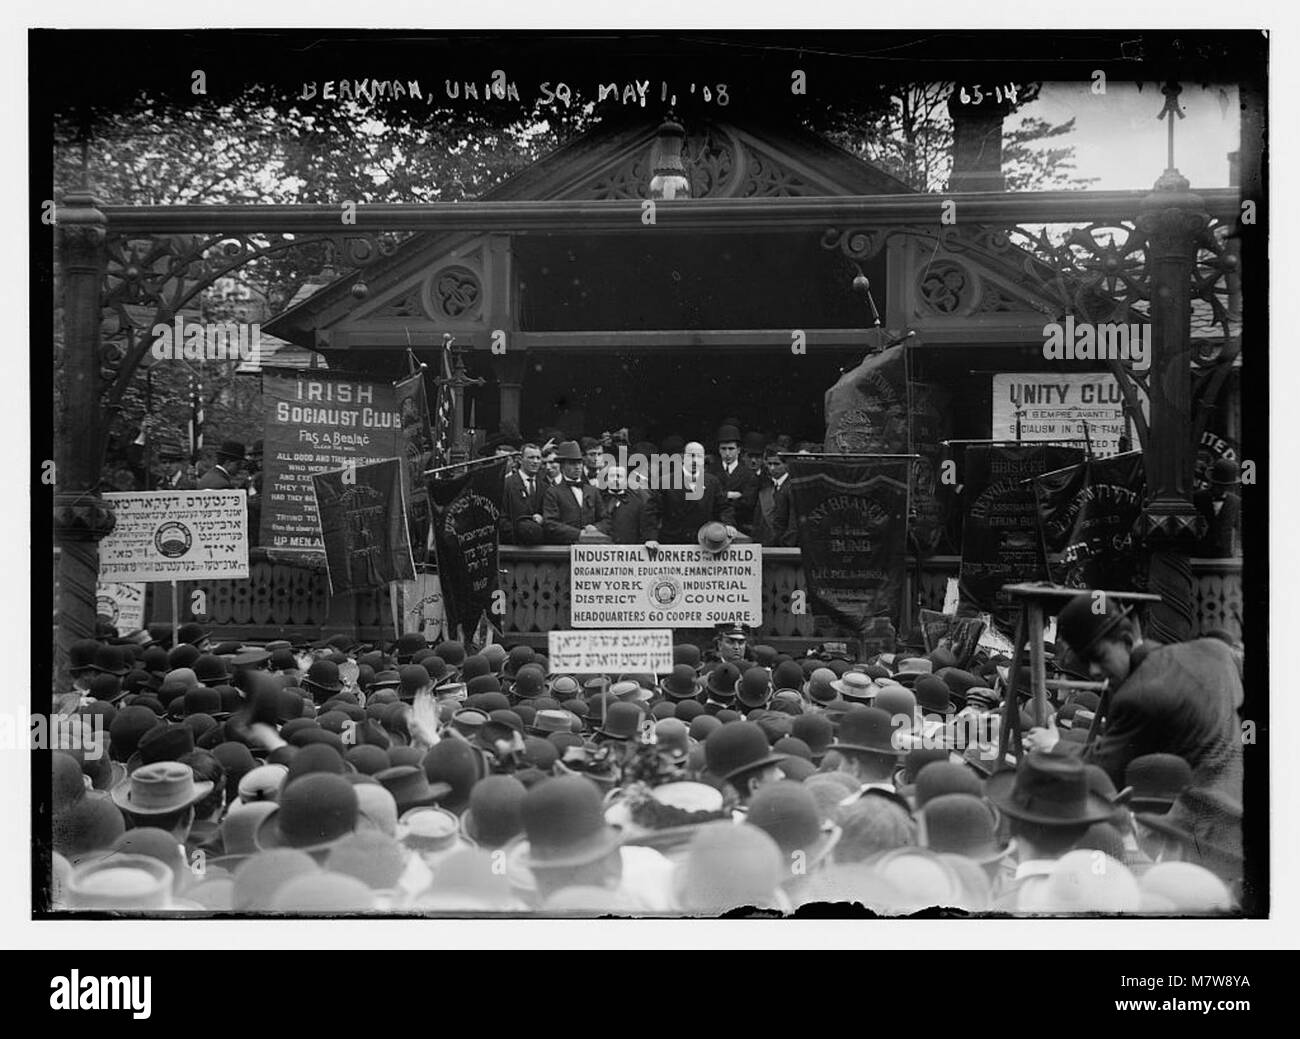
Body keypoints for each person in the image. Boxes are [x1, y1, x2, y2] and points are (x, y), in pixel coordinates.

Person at [1025, 593, 1244, 806]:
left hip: (1199, 821)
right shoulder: (1215, 651)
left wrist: (1052, 745)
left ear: (1126, 640)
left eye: (1099, 657)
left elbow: (1104, 772)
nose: (1093, 670)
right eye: (1085, 661)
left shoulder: (1137, 696)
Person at [645, 441, 734, 546]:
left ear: (704, 459)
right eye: (691, 456)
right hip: (673, 544)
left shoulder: (712, 482)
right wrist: (651, 538)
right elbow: (652, 512)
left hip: (703, 544)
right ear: (683, 458)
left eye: (699, 457)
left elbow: (724, 507)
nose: (695, 461)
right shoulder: (665, 482)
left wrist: (728, 524)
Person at [541, 441, 604, 543]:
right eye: (572, 463)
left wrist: (595, 528)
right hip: (565, 548)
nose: (577, 467)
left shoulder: (592, 491)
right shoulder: (553, 492)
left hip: (591, 549)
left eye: (579, 463)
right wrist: (578, 534)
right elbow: (550, 523)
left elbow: (605, 519)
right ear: (563, 466)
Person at [709, 425, 760, 535]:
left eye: (731, 449)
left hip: (741, 527)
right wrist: (729, 495)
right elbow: (707, 499)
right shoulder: (710, 472)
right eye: (723, 449)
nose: (727, 453)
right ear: (718, 450)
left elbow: (748, 503)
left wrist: (720, 497)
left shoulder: (749, 474)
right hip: (713, 528)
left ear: (738, 450)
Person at [500, 442, 546, 545]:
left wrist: (543, 520)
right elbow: (501, 519)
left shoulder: (545, 487)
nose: (535, 461)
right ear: (520, 460)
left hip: (541, 547)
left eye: (538, 458)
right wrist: (520, 533)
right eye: (531, 458)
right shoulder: (506, 485)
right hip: (514, 547)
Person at [597, 465, 655, 546]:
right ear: (606, 480)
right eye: (612, 476)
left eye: (619, 476)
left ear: (626, 481)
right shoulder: (597, 498)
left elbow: (645, 527)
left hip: (629, 551)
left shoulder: (637, 502)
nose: (615, 479)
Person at [752, 447, 794, 547]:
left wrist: (785, 545)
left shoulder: (792, 488)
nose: (772, 468)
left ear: (786, 465)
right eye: (769, 464)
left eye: (776, 464)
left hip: (784, 547)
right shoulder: (765, 486)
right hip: (764, 545)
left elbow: (793, 524)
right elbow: (758, 522)